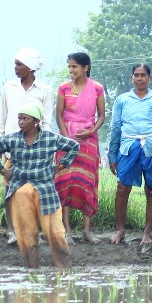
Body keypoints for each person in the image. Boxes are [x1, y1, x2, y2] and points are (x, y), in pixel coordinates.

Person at [0, 101, 80, 270]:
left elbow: (74, 146)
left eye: (25, 118)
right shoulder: (13, 139)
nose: (20, 122)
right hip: (20, 190)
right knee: (26, 234)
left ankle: (64, 270)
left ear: (36, 121)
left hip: (45, 191)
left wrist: (61, 166)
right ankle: (32, 270)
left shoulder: (50, 138)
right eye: (19, 118)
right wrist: (2, 170)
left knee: (55, 232)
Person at [108, 63, 152, 252]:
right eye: (136, 75)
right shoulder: (122, 100)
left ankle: (147, 232)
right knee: (122, 187)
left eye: (143, 75)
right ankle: (120, 230)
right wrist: (112, 154)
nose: (139, 79)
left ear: (149, 78)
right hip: (128, 147)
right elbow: (115, 127)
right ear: (131, 78)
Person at [0, 47, 55, 244]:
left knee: (36, 189)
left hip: (35, 146)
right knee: (10, 188)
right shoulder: (9, 88)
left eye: (19, 64)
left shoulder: (44, 90)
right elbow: (3, 118)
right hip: (12, 147)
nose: (15, 68)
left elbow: (46, 121)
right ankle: (12, 231)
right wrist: (0, 144)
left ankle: (34, 230)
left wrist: (45, 146)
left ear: (30, 68)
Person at [56, 52, 106, 244]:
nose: (71, 70)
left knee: (87, 182)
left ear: (85, 68)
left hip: (88, 140)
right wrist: (65, 138)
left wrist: (90, 131)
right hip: (67, 139)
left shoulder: (97, 89)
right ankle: (66, 229)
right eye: (69, 66)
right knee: (65, 181)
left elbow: (101, 115)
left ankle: (87, 230)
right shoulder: (63, 88)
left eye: (74, 66)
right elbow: (59, 115)